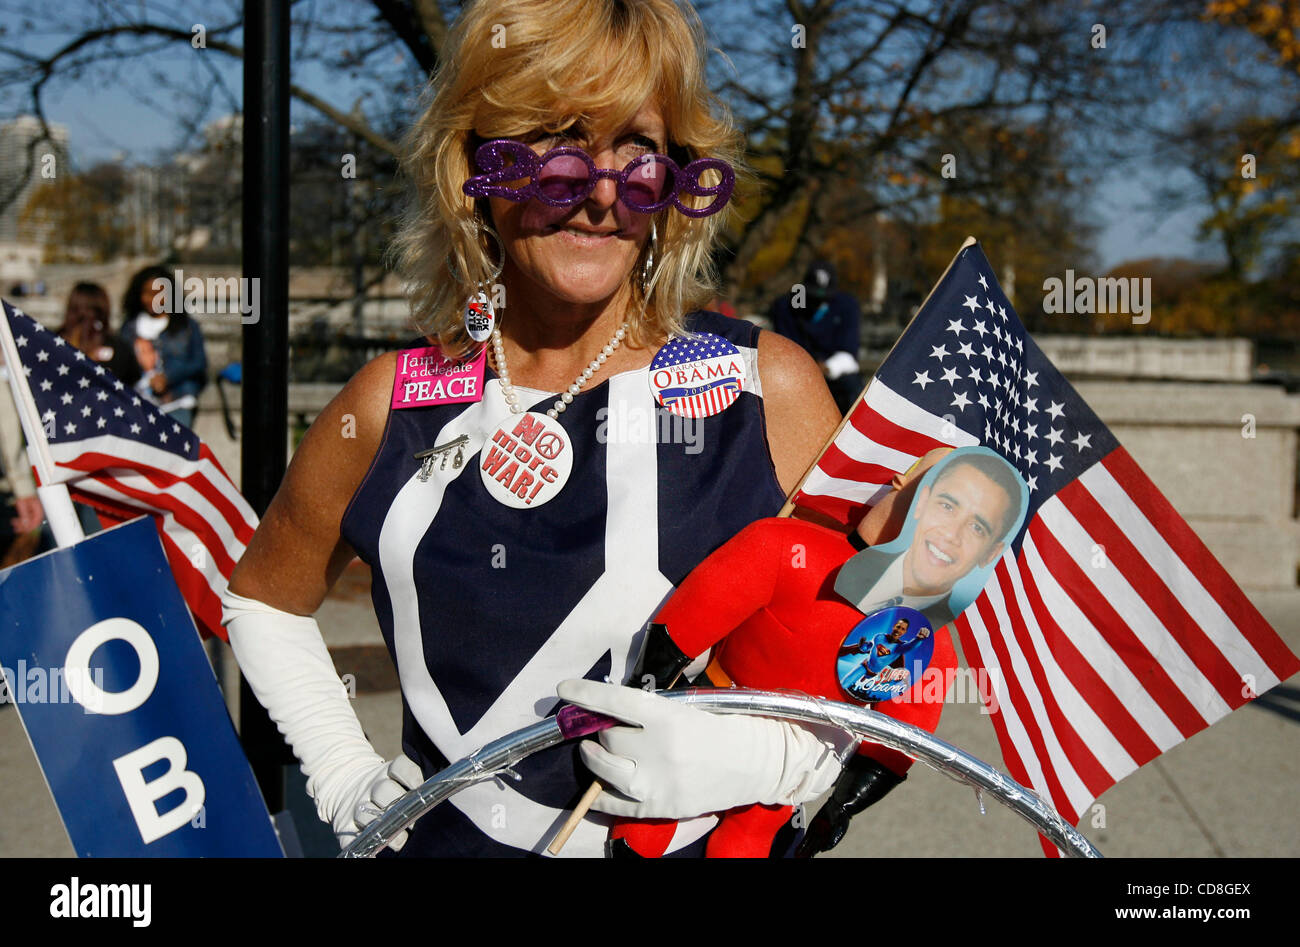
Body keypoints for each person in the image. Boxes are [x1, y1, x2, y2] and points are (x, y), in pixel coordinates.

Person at [222, 0, 844, 858]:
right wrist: (342, 775)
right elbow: (262, 598)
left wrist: (780, 759)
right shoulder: (389, 403)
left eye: (636, 148)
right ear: (472, 165)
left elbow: (882, 641)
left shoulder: (765, 389)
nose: (597, 194)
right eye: (554, 140)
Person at [835, 447, 1028, 629]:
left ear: (992, 553)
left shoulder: (939, 653)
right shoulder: (810, 551)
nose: (952, 533)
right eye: (947, 506)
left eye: (977, 528)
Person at [117, 266, 208, 429]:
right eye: (147, 293)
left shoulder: (186, 326)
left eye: (159, 293)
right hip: (137, 405)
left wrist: (168, 377)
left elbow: (199, 362)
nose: (153, 299)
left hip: (177, 402)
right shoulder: (129, 328)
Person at [769, 259, 864, 413]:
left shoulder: (847, 306)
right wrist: (807, 367)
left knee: (851, 387)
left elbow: (848, 354)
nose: (817, 301)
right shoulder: (786, 306)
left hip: (833, 374)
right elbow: (784, 346)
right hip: (796, 371)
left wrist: (825, 368)